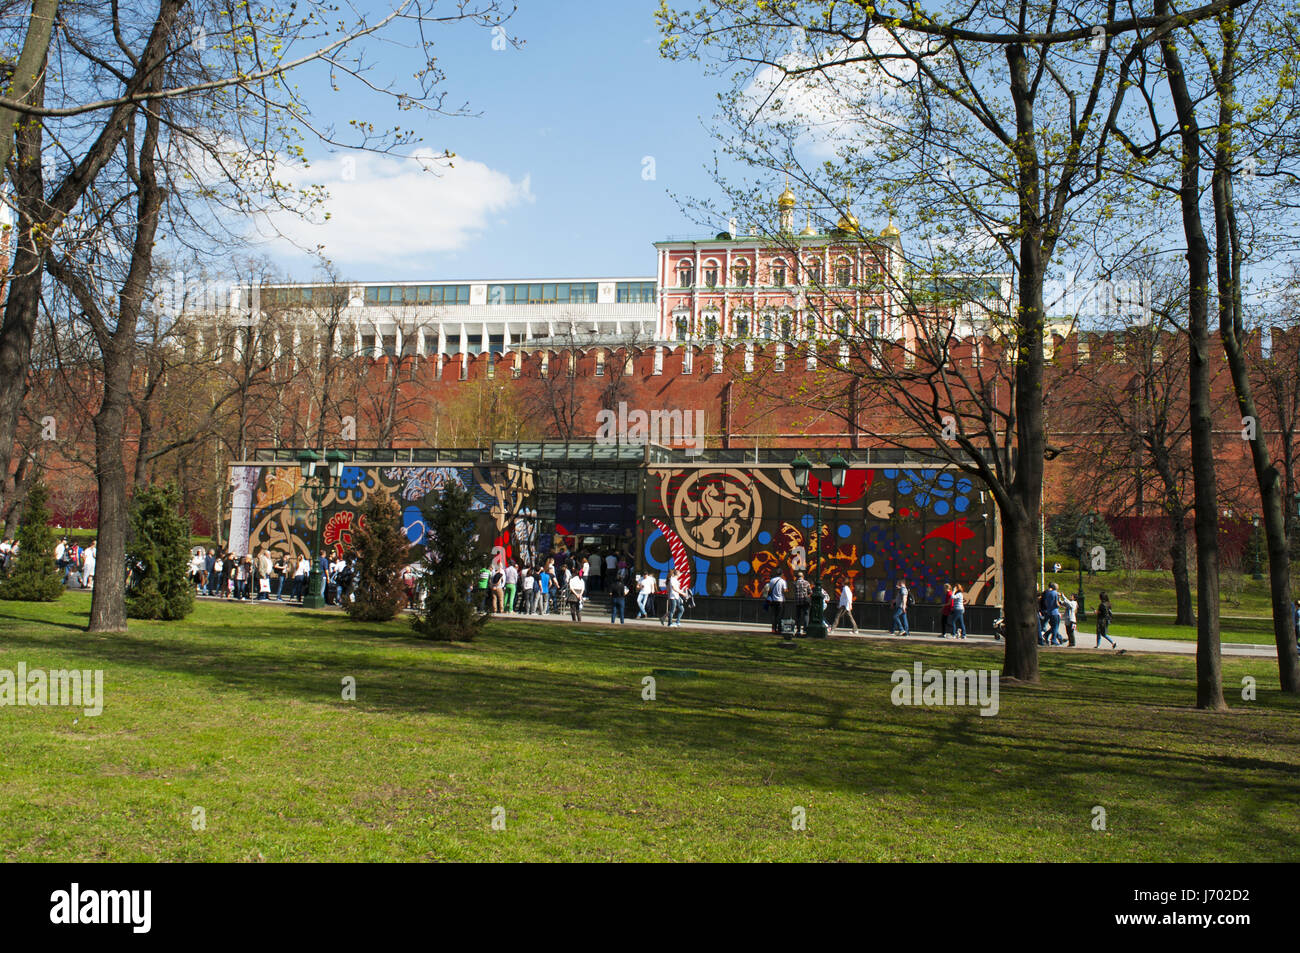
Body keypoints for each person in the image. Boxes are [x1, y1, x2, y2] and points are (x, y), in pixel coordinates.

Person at [792, 570, 812, 637]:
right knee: (806, 615)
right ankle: (805, 629)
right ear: (803, 576)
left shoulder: (795, 583)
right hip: (805, 601)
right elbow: (810, 592)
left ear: (797, 577)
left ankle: (798, 630)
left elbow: (794, 591)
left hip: (798, 601)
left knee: (798, 616)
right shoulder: (806, 582)